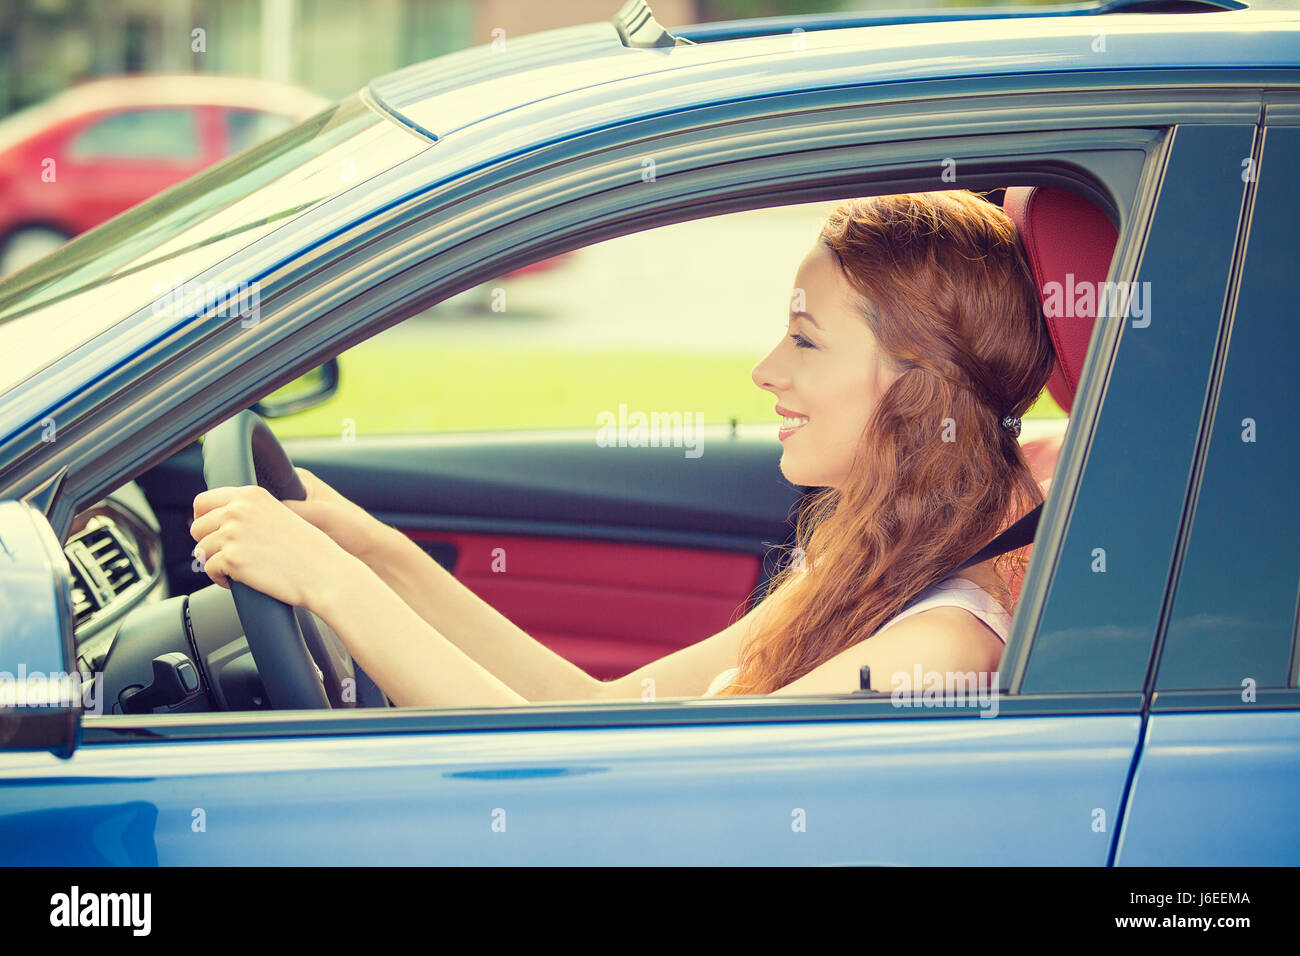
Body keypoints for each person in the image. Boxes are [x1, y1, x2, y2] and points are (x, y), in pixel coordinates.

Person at [189, 190, 1055, 708]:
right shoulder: (872, 563)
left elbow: (563, 788)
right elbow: (595, 711)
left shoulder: (934, 648)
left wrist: (327, 584)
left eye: (805, 341)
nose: (764, 371)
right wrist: (376, 553)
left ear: (915, 387)